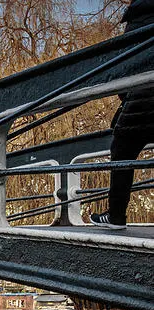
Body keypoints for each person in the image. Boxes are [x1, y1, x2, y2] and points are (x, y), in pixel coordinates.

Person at [90, 0, 154, 230]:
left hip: (140, 102)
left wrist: (127, 97)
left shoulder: (136, 22)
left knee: (122, 151)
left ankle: (116, 215)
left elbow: (123, 69)